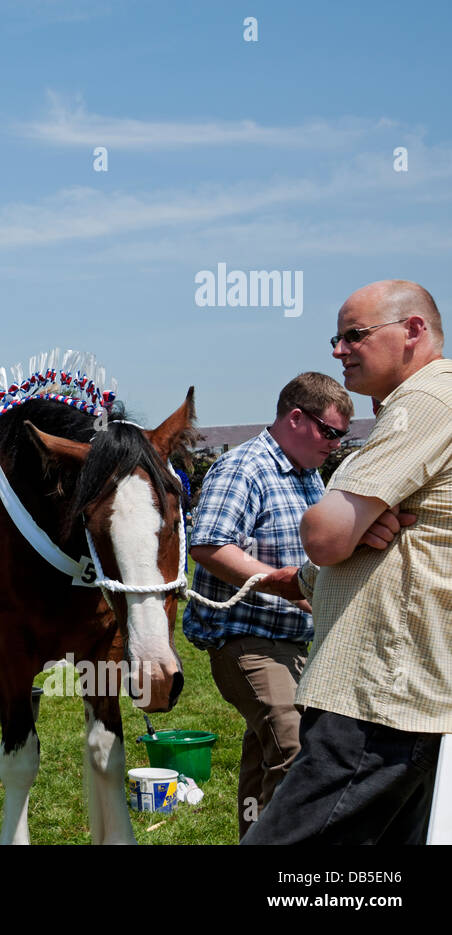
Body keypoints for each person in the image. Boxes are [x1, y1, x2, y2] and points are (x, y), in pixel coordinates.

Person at [245, 280, 449, 845]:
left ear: (413, 331)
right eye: (336, 338)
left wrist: (343, 528)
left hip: (374, 693)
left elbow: (323, 533)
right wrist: (350, 533)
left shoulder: (426, 401)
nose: (338, 351)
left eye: (354, 335)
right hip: (403, 692)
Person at [183, 372, 352, 839]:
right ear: (296, 418)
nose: (336, 444)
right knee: (296, 751)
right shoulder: (244, 467)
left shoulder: (309, 474)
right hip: (245, 641)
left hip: (293, 641)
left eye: (343, 435)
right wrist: (281, 585)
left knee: (267, 754)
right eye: (330, 432)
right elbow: (209, 546)